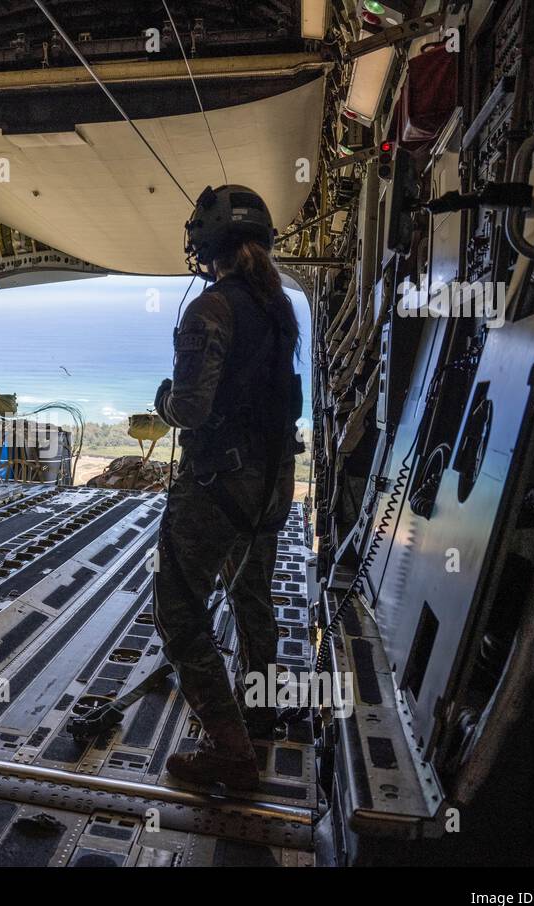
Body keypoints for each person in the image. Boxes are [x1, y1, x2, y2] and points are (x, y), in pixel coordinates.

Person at [152, 184, 301, 789]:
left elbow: (188, 406)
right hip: (272, 484)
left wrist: (163, 399)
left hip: (219, 484)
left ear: (205, 244)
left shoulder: (211, 309)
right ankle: (261, 714)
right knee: (252, 596)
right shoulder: (278, 307)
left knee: (181, 614)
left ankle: (229, 747)